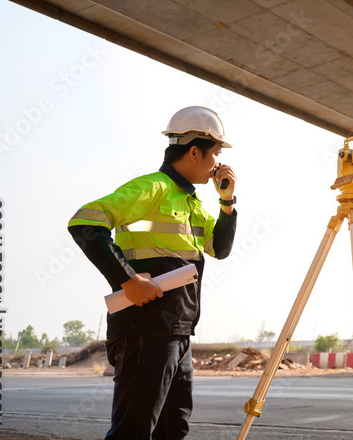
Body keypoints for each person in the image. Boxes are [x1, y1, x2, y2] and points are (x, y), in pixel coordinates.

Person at [68, 106, 239, 439]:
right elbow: (84, 222)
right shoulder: (153, 188)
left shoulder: (191, 203)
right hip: (145, 330)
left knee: (173, 430)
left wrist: (227, 202)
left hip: (178, 333)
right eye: (215, 154)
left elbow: (219, 248)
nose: (217, 164)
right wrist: (127, 280)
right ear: (194, 152)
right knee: (133, 432)